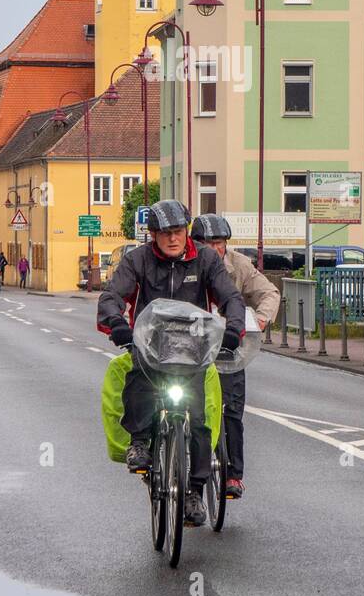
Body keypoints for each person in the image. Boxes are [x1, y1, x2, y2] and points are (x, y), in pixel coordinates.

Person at [97, 199, 245, 529]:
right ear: (152, 235)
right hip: (151, 345)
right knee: (137, 381)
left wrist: (234, 328)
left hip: (193, 349)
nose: (172, 239)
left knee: (200, 421)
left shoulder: (205, 259)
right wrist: (117, 323)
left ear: (186, 231)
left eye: (178, 232)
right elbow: (112, 296)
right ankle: (139, 443)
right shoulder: (137, 260)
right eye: (164, 234)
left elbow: (230, 297)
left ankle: (193, 491)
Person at [189, 214, 280, 500]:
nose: (215, 249)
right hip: (189, 350)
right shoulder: (184, 264)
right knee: (185, 409)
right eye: (207, 243)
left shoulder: (238, 264)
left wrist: (261, 319)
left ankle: (233, 476)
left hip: (228, 350)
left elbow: (269, 292)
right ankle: (177, 465)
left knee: (230, 412)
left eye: (220, 243)